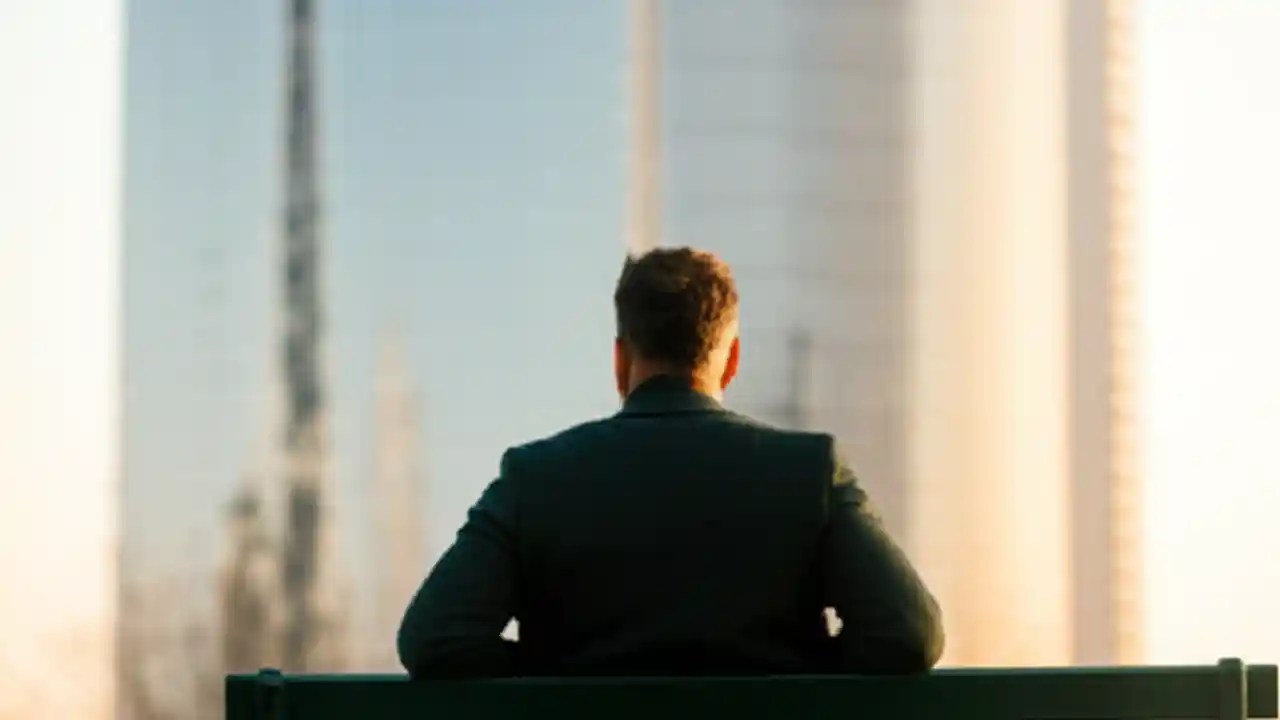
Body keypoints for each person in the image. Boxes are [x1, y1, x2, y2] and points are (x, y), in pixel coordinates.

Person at [397, 247, 943, 678]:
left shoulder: (533, 477)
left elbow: (434, 639)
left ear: (620, 359)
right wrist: (791, 666)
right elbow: (907, 634)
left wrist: (556, 672)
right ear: (730, 360)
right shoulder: (808, 472)